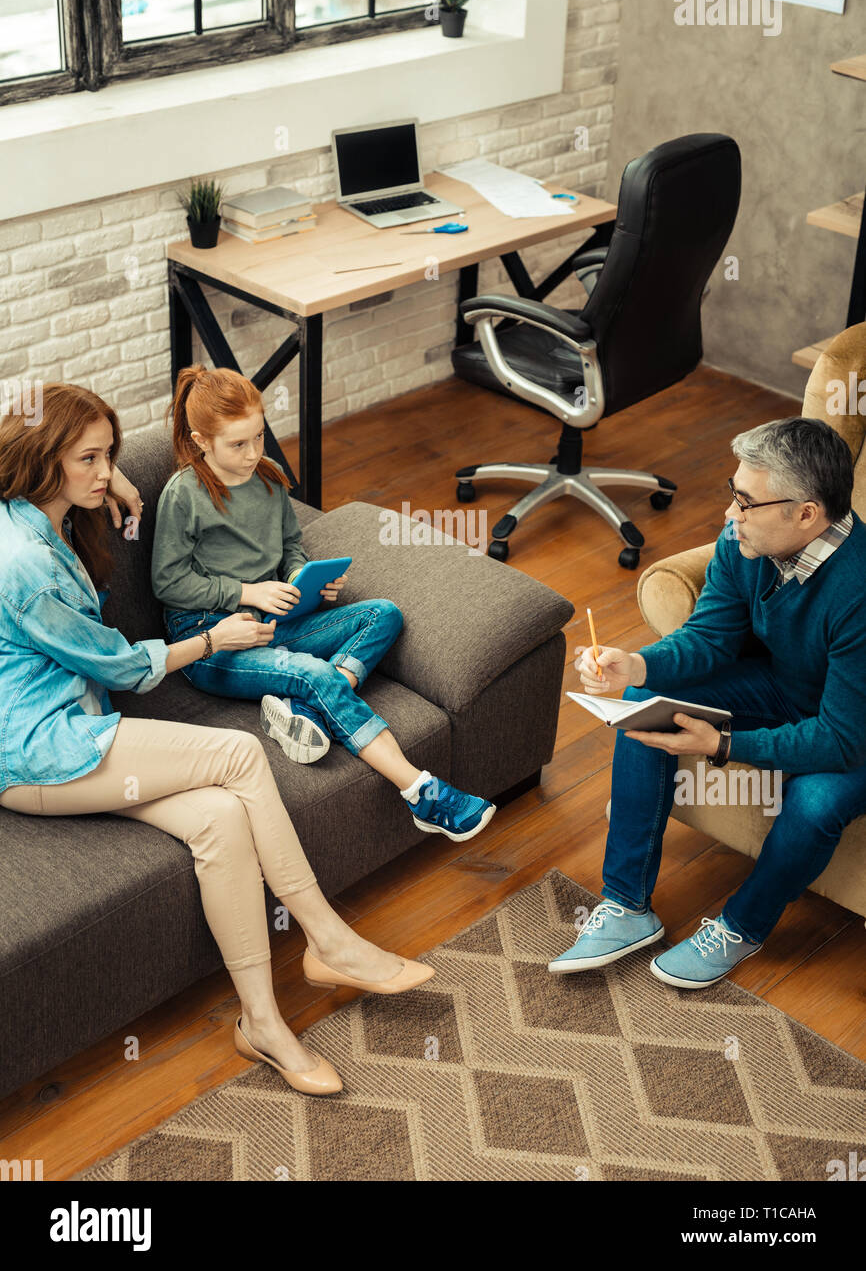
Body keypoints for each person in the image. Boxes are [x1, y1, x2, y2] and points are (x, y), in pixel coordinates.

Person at [0, 382, 438, 1097]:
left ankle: (261, 1024)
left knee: (222, 818)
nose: (106, 471)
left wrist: (119, 490)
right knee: (237, 753)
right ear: (42, 456)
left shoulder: (46, 515)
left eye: (110, 454)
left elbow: (100, 488)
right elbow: (117, 663)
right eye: (89, 459)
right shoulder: (22, 563)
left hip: (79, 731)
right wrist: (213, 638)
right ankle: (329, 940)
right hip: (39, 751)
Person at [551, 416, 866, 988]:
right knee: (650, 699)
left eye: (746, 503)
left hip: (855, 733)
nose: (729, 515)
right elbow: (712, 637)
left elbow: (841, 738)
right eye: (732, 494)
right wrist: (639, 664)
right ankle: (626, 906)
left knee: (816, 802)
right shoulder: (742, 544)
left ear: (806, 514)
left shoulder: (860, 590)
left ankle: (742, 927)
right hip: (786, 689)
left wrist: (722, 744)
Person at [150, 364, 496, 842]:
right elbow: (168, 583)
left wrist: (301, 577)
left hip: (277, 620)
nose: (254, 453)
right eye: (238, 444)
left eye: (259, 437)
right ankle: (421, 792)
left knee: (383, 614)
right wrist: (246, 593)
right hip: (211, 642)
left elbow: (291, 543)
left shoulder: (269, 479)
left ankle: (309, 712)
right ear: (201, 440)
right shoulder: (183, 495)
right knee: (310, 673)